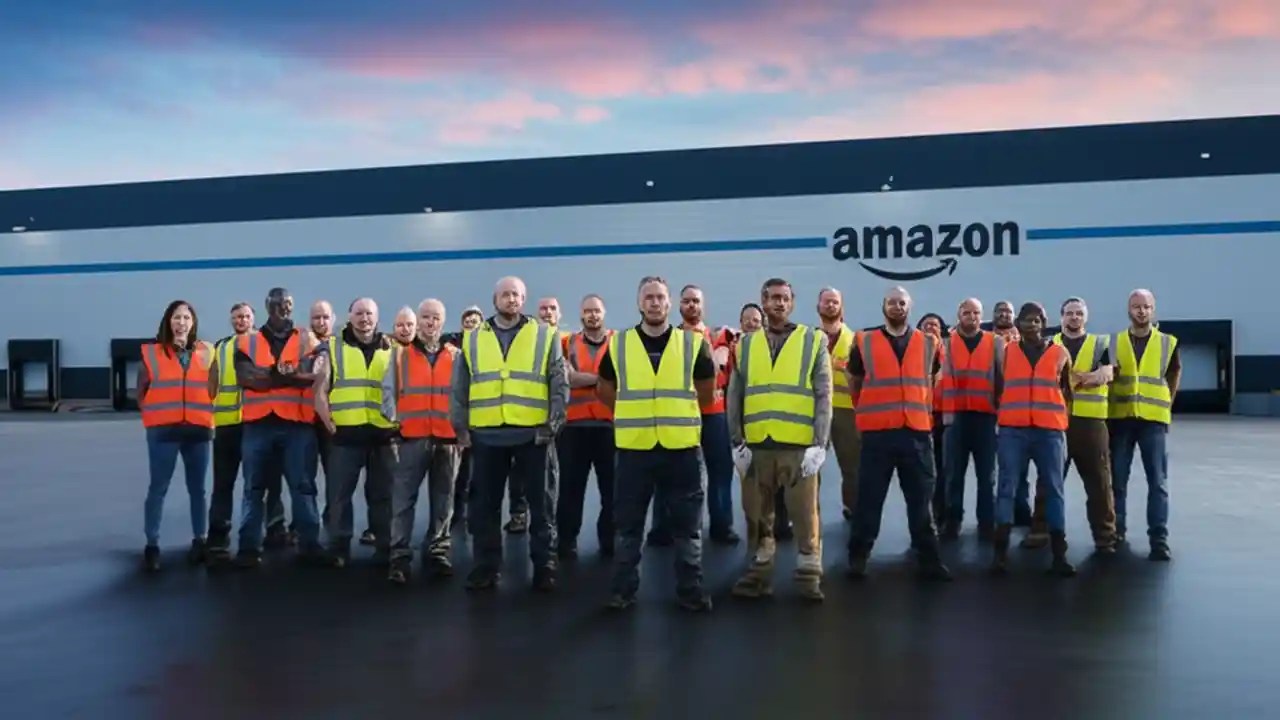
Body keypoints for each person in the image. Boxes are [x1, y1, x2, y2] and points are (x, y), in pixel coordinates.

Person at [595, 275, 715, 612]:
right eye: (648, 297)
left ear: (670, 303)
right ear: (639, 303)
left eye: (660, 297)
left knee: (688, 527)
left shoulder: (693, 343)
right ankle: (622, 590)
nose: (655, 302)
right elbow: (604, 389)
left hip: (682, 449)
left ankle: (690, 590)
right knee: (629, 526)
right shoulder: (618, 344)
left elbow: (706, 391)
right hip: (635, 450)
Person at [451, 277, 568, 592]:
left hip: (533, 435)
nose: (511, 299)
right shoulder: (473, 338)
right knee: (484, 508)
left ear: (524, 299)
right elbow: (460, 386)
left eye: (516, 294)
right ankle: (486, 567)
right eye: (505, 294)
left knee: (541, 506)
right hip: (487, 435)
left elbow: (559, 380)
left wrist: (553, 423)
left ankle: (545, 566)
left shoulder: (545, 336)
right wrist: (461, 427)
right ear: (495, 299)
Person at [727, 278, 832, 602]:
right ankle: (759, 575)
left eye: (785, 298)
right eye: (773, 298)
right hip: (758, 447)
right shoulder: (744, 345)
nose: (779, 304)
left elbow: (823, 395)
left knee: (805, 517)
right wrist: (736, 442)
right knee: (757, 517)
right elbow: (735, 395)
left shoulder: (814, 341)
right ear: (763, 301)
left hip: (799, 448)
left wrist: (820, 443)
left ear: (793, 302)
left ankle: (808, 578)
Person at [845, 286, 950, 581]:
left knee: (921, 502)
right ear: (883, 307)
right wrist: (865, 408)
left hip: (916, 433)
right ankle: (858, 557)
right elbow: (854, 381)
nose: (897, 307)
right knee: (869, 500)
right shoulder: (864, 340)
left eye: (902, 303)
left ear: (910, 306)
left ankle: (929, 559)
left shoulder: (929, 343)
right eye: (892, 302)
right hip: (877, 434)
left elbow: (933, 378)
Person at [232, 287, 327, 567]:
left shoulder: (307, 337)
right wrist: (287, 372)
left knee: (304, 486)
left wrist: (275, 374)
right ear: (267, 306)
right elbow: (248, 378)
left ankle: (310, 545)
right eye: (276, 303)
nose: (282, 308)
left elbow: (312, 375)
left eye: (287, 303)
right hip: (258, 425)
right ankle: (248, 550)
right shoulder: (247, 342)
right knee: (253, 489)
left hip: (297, 425)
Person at [992, 302, 1076, 576]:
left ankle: (1059, 556)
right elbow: (998, 388)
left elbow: (1067, 391)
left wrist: (1061, 423)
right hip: (1012, 431)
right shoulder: (1007, 352)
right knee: (1006, 488)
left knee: (1054, 489)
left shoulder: (1060, 353)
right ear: (1019, 323)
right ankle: (1000, 555)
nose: (1032, 325)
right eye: (1026, 320)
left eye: (1037, 320)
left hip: (1049, 432)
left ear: (1044, 323)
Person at [313, 298, 397, 567]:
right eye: (359, 313)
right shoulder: (332, 348)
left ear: (377, 316)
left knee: (383, 495)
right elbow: (320, 391)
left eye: (369, 313)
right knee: (339, 495)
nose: (364, 318)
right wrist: (329, 424)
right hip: (345, 436)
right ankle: (338, 547)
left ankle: (385, 547)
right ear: (350, 316)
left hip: (382, 436)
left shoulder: (391, 348)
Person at [387, 299, 463, 583]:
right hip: (411, 438)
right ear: (418, 321)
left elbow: (463, 396)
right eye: (426, 317)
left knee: (444, 499)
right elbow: (388, 393)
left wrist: (462, 431)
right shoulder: (399, 356)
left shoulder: (456, 357)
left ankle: (437, 551)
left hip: (447, 439)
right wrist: (396, 424)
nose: (430, 323)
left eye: (436, 318)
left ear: (443, 322)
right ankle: (399, 556)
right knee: (403, 499)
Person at [138, 300, 215, 572]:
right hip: (163, 432)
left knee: (198, 490)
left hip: (197, 430)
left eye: (186, 317)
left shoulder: (207, 351)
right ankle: (152, 545)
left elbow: (214, 387)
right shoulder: (153, 354)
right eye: (176, 317)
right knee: (158, 488)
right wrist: (153, 417)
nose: (181, 322)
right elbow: (142, 391)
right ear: (168, 322)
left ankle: (200, 540)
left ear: (193, 322)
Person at [1109, 289, 1179, 561]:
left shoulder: (1167, 343)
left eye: (1146, 306)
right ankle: (1117, 531)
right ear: (1129, 310)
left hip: (1153, 422)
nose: (1141, 311)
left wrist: (1166, 405)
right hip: (1121, 419)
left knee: (1158, 482)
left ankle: (1159, 539)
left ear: (1153, 310)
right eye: (1136, 306)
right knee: (1117, 480)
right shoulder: (1114, 342)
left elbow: (1174, 373)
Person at [1051, 297, 1118, 554]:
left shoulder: (1101, 343)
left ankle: (1105, 537)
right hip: (1057, 421)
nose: (1074, 317)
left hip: (1092, 424)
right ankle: (1042, 532)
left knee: (1099, 483)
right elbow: (1047, 377)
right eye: (1069, 313)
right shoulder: (1052, 344)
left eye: (1079, 313)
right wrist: (1089, 377)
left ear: (1085, 317)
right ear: (1062, 317)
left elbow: (1107, 374)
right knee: (1050, 480)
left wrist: (1072, 380)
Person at [936, 299, 1003, 542]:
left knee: (987, 475)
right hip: (955, 418)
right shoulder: (946, 343)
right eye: (967, 313)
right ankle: (953, 521)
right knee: (954, 474)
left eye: (976, 313)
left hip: (985, 417)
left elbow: (1001, 379)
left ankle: (987, 523)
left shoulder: (994, 342)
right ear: (958, 315)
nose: (972, 317)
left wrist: (1000, 413)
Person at [557, 294, 617, 558]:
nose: (592, 315)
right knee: (571, 490)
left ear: (604, 313)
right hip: (574, 428)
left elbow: (625, 377)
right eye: (588, 311)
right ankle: (567, 541)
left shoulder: (619, 343)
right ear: (581, 315)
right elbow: (566, 378)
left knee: (613, 491)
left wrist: (585, 379)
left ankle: (609, 541)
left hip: (610, 426)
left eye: (597, 310)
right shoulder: (566, 343)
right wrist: (603, 379)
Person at [447, 306, 484, 529]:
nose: (471, 324)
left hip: (482, 419)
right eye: (467, 321)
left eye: (475, 321)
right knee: (458, 474)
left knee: (478, 474)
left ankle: (475, 515)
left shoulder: (487, 346)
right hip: (460, 419)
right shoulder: (450, 345)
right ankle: (457, 513)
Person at [917, 312, 949, 531]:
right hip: (918, 420)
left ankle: (942, 513)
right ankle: (923, 517)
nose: (931, 328)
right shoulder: (912, 354)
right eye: (926, 325)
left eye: (935, 325)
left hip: (943, 419)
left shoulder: (950, 355)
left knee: (943, 469)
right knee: (922, 473)